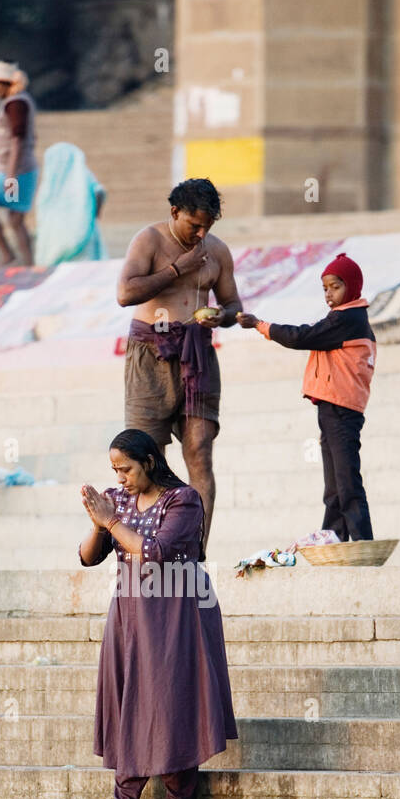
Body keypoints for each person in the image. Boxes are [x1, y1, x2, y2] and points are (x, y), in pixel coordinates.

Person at [79, 428, 237, 799]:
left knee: (171, 702)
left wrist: (111, 520)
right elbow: (87, 557)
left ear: (149, 462)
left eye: (126, 469)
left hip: (176, 613)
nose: (120, 479)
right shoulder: (116, 500)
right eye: (115, 471)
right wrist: (99, 524)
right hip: (130, 614)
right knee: (126, 699)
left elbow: (156, 552)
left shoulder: (184, 500)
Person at [116, 178, 242, 547]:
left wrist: (224, 315)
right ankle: (147, 546)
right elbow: (125, 293)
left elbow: (234, 304)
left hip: (197, 354)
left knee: (200, 451)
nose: (201, 233)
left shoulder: (217, 251)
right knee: (144, 454)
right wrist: (177, 269)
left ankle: (194, 547)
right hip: (149, 354)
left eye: (208, 226)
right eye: (194, 225)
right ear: (175, 212)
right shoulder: (149, 240)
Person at [237, 253, 376, 542]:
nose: (328, 294)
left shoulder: (347, 318)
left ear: (351, 287)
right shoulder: (345, 318)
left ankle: (362, 542)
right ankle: (334, 538)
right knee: (334, 486)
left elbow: (301, 337)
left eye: (335, 287)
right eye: (324, 288)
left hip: (340, 409)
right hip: (332, 408)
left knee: (347, 482)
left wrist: (260, 325)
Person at [0, 61, 38, 265]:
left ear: (5, 83)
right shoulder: (13, 102)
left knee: (10, 216)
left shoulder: (16, 103)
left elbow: (17, 140)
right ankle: (12, 256)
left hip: (16, 172)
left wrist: (11, 176)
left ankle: (22, 260)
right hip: (6, 170)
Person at [34, 143, 106, 267]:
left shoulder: (50, 182)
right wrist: (95, 213)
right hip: (83, 229)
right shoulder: (83, 176)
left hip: (55, 236)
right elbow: (99, 191)